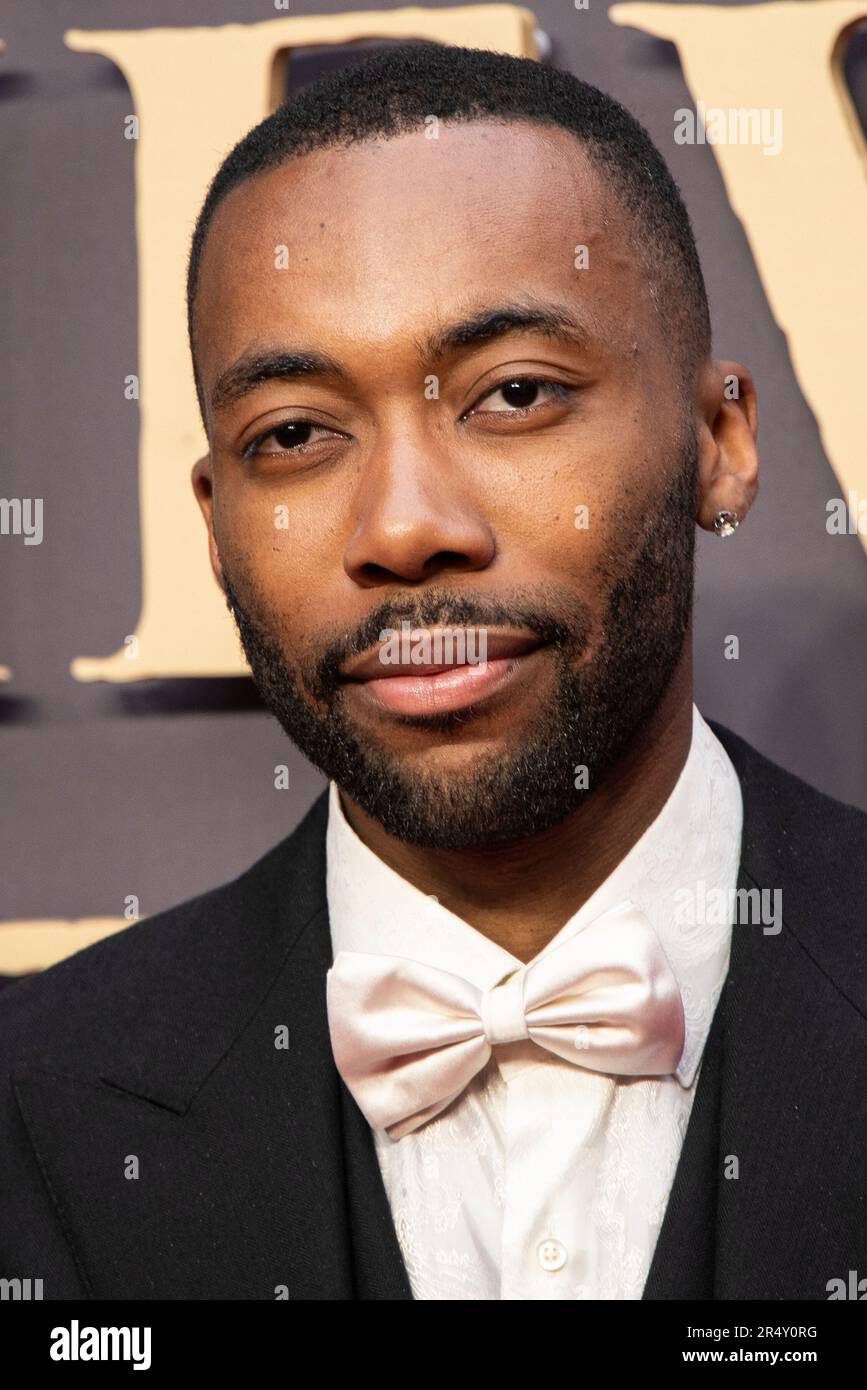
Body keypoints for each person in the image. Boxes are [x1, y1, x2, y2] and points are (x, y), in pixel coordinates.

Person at [1, 42, 864, 1301]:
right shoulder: (32, 1105)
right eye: (294, 433)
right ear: (214, 521)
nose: (404, 528)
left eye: (514, 393)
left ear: (719, 439)